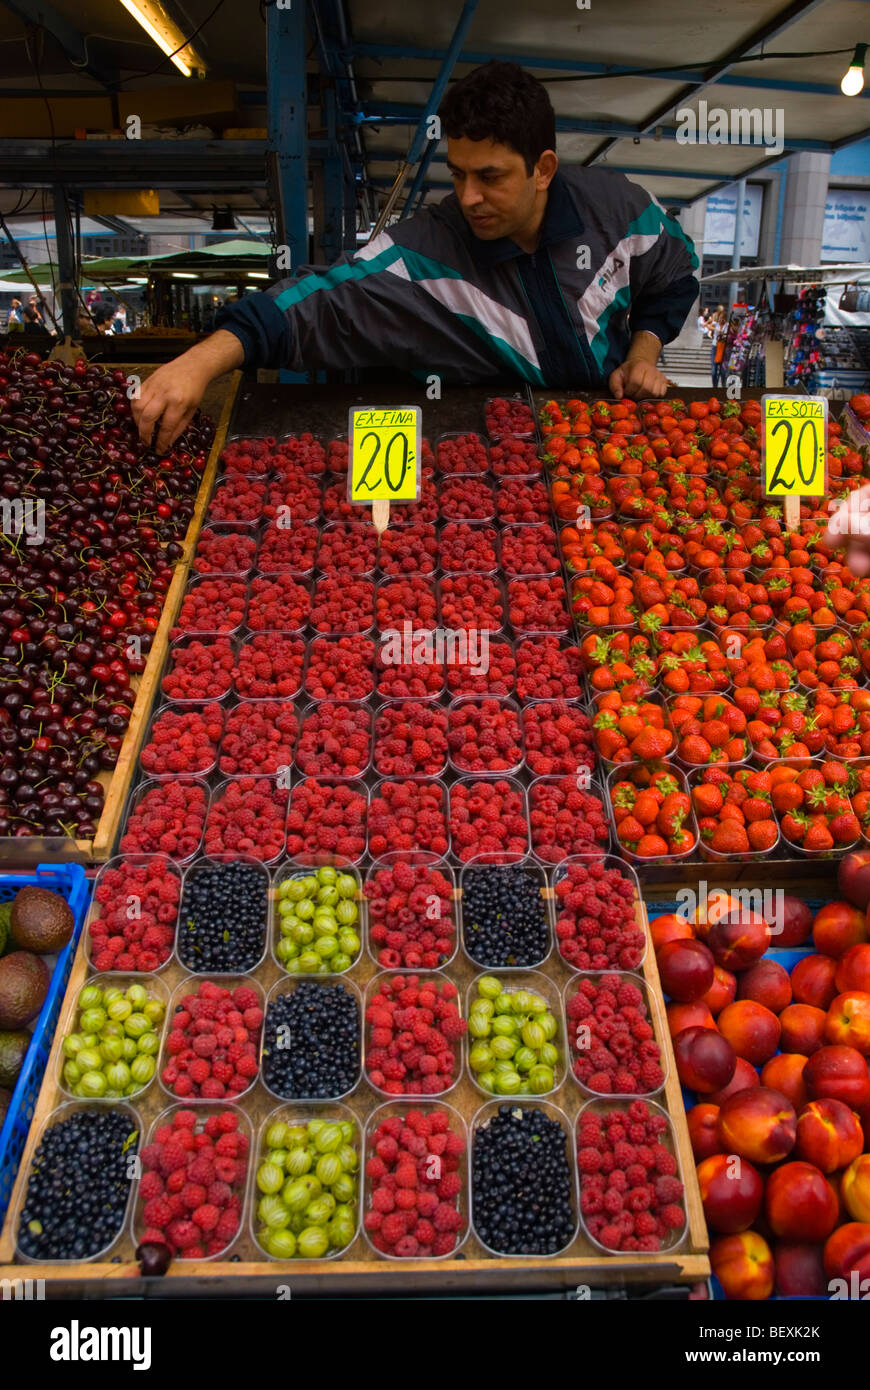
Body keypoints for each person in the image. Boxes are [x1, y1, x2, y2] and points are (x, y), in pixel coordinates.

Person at [132, 62, 699, 452]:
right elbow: (322, 298)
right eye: (457, 173)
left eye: (490, 176)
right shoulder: (424, 253)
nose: (469, 196)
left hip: (611, 451)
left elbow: (673, 275)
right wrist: (201, 362)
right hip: (495, 467)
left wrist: (644, 352)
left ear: (543, 169)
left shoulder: (618, 210)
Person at [710, 307, 727, 388]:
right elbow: (708, 326)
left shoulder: (727, 325)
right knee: (714, 370)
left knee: (723, 371)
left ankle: (723, 385)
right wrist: (717, 330)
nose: (721, 320)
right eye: (720, 318)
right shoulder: (715, 324)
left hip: (723, 348)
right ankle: (715, 386)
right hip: (715, 347)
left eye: (723, 318)